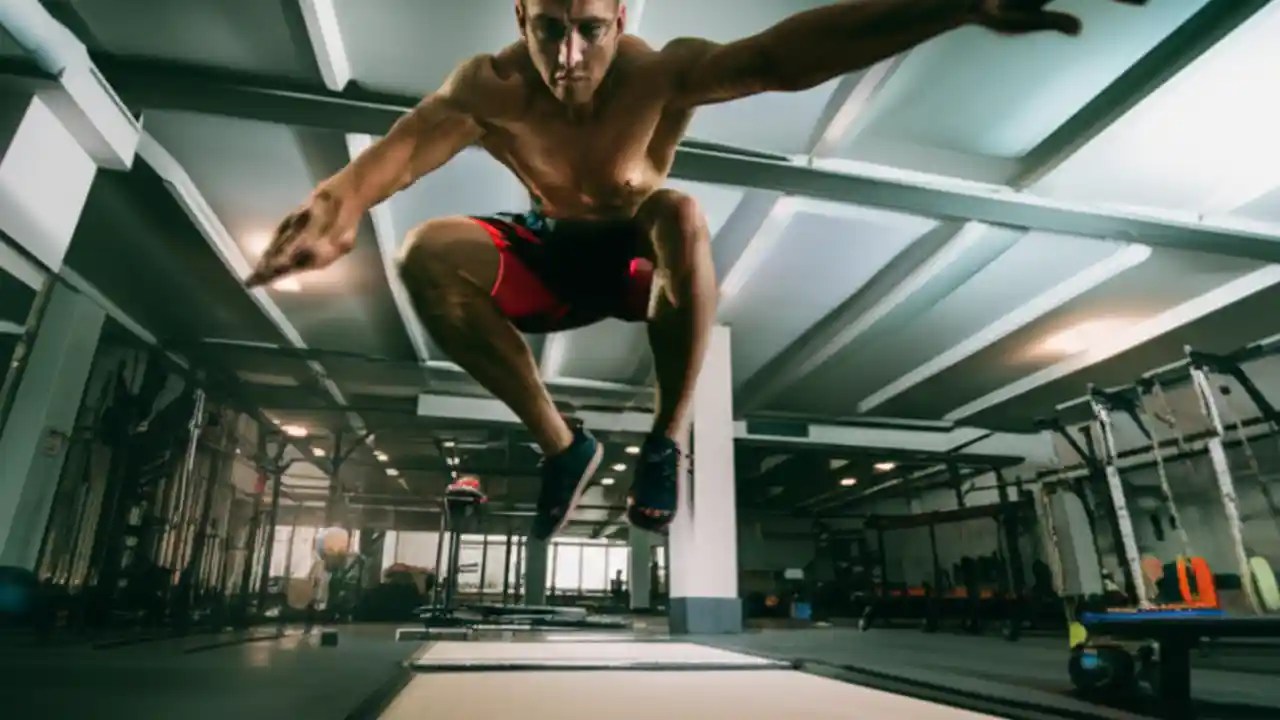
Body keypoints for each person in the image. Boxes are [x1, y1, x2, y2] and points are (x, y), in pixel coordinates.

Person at [245, 0, 1145, 539]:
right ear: (520, 16)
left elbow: (776, 60)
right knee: (424, 252)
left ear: (620, 18)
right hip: (551, 258)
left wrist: (947, 7)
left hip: (638, 260)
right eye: (549, 29)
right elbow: (403, 150)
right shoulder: (489, 87)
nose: (568, 57)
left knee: (678, 210)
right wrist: (339, 201)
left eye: (588, 30)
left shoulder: (659, 75)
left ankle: (663, 441)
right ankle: (563, 446)